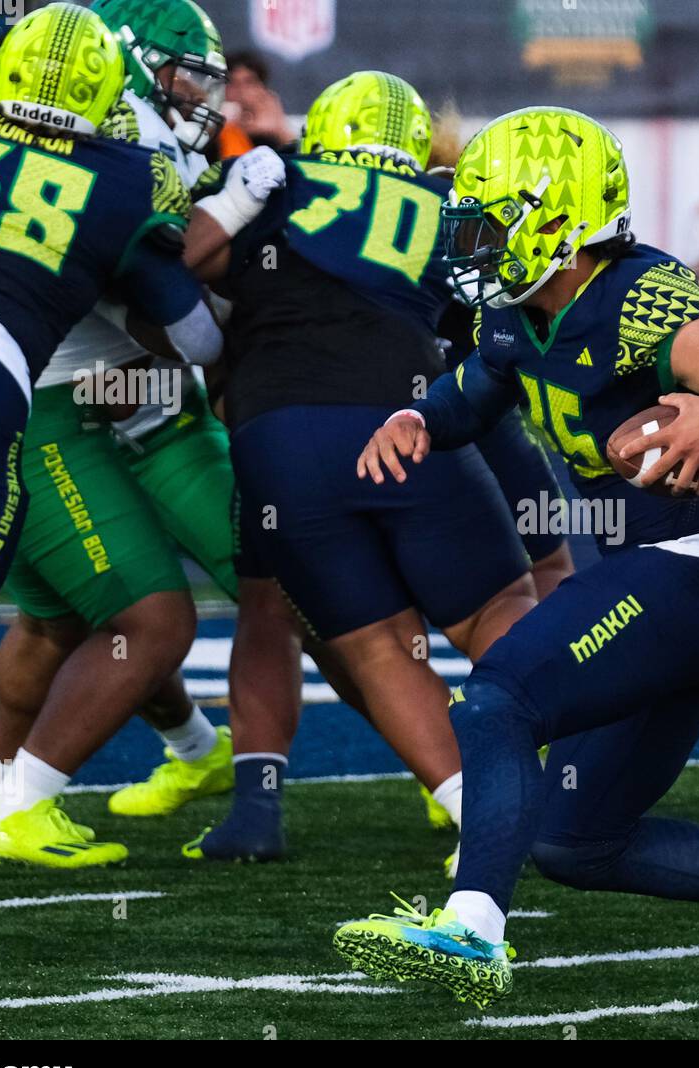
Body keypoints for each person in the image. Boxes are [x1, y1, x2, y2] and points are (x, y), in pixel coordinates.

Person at [335, 106, 699, 1010]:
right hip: (672, 579)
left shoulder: (641, 295)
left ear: (558, 222)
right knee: (575, 840)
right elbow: (474, 392)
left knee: (499, 694)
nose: (474, 246)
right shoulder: (518, 315)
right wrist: (417, 419)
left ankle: (472, 930)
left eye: (489, 224)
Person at [181, 71, 539, 863]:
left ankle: (479, 819)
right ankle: (564, 769)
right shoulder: (447, 203)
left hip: (276, 436)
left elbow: (181, 271)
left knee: (374, 645)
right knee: (498, 606)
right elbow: (502, 325)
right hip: (405, 418)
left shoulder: (271, 179)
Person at [0, 3, 224, 872]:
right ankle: (18, 802)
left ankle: (9, 792)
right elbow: (198, 339)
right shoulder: (125, 176)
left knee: (55, 620)